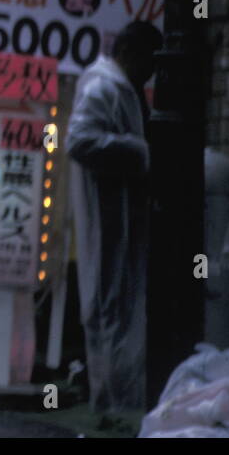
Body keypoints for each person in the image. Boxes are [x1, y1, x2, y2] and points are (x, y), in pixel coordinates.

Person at [66, 20, 164, 414]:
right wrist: (140, 153)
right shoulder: (105, 86)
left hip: (120, 213)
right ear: (129, 52)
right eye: (148, 61)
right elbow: (79, 141)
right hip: (109, 214)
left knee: (116, 307)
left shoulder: (119, 86)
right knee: (110, 307)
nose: (151, 72)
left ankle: (115, 402)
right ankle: (112, 404)